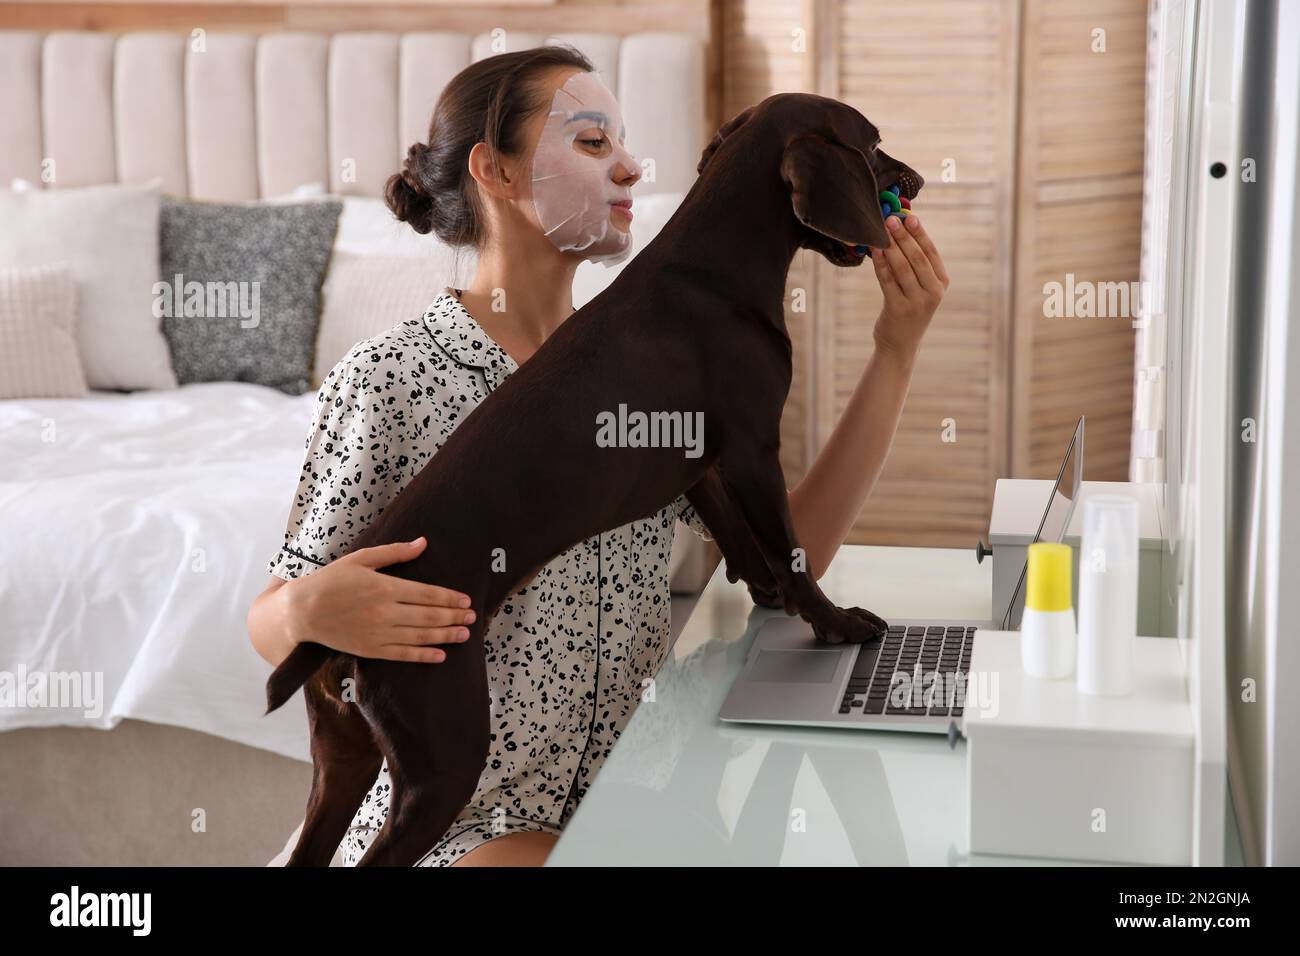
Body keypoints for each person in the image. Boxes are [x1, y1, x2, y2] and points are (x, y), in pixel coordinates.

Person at [248, 45, 949, 867]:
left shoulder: (661, 364)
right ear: (496, 173)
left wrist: (896, 351)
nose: (629, 169)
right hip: (470, 816)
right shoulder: (390, 378)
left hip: (639, 795)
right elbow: (277, 624)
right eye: (591, 144)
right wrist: (301, 612)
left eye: (625, 145)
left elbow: (793, 556)